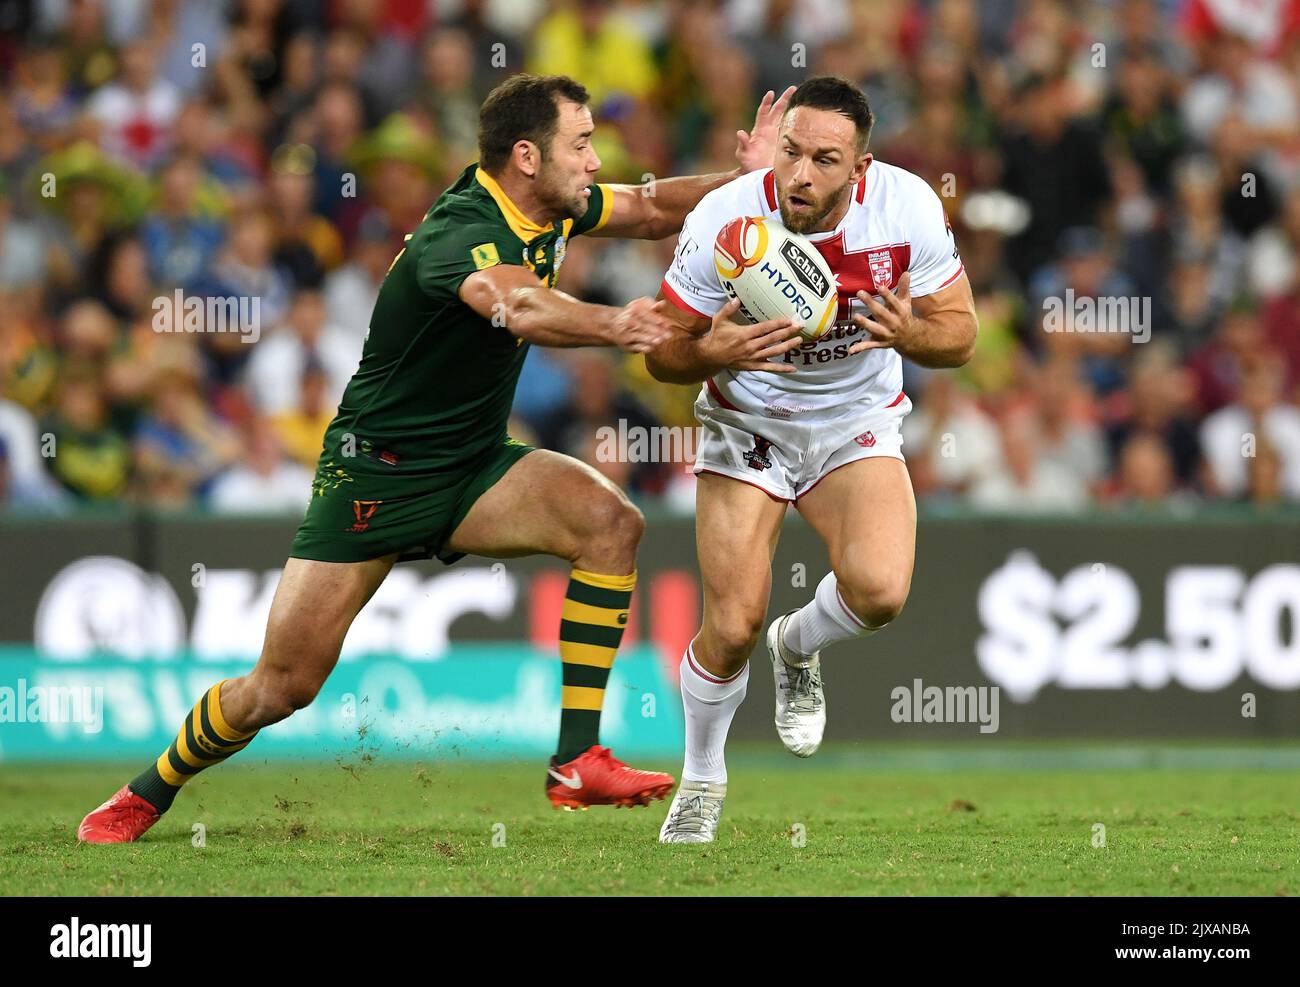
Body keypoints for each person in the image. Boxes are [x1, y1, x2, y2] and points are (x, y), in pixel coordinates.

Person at [76, 73, 796, 842]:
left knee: (608, 521)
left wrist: (751, 182)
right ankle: (147, 790)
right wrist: (615, 322)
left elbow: (652, 206)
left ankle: (575, 757)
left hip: (474, 465)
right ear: (527, 156)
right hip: (375, 477)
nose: (593, 162)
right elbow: (517, 302)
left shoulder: (551, 202)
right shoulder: (463, 235)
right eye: (580, 145)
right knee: (281, 685)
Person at [646, 76, 978, 843]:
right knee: (729, 624)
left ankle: (798, 644)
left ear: (860, 169)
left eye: (825, 160)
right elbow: (661, 351)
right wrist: (708, 348)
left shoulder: (906, 210)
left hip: (853, 420)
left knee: (881, 590)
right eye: (791, 152)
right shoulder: (725, 218)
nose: (801, 174)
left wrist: (911, 334)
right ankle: (701, 778)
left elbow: (961, 333)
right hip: (747, 422)